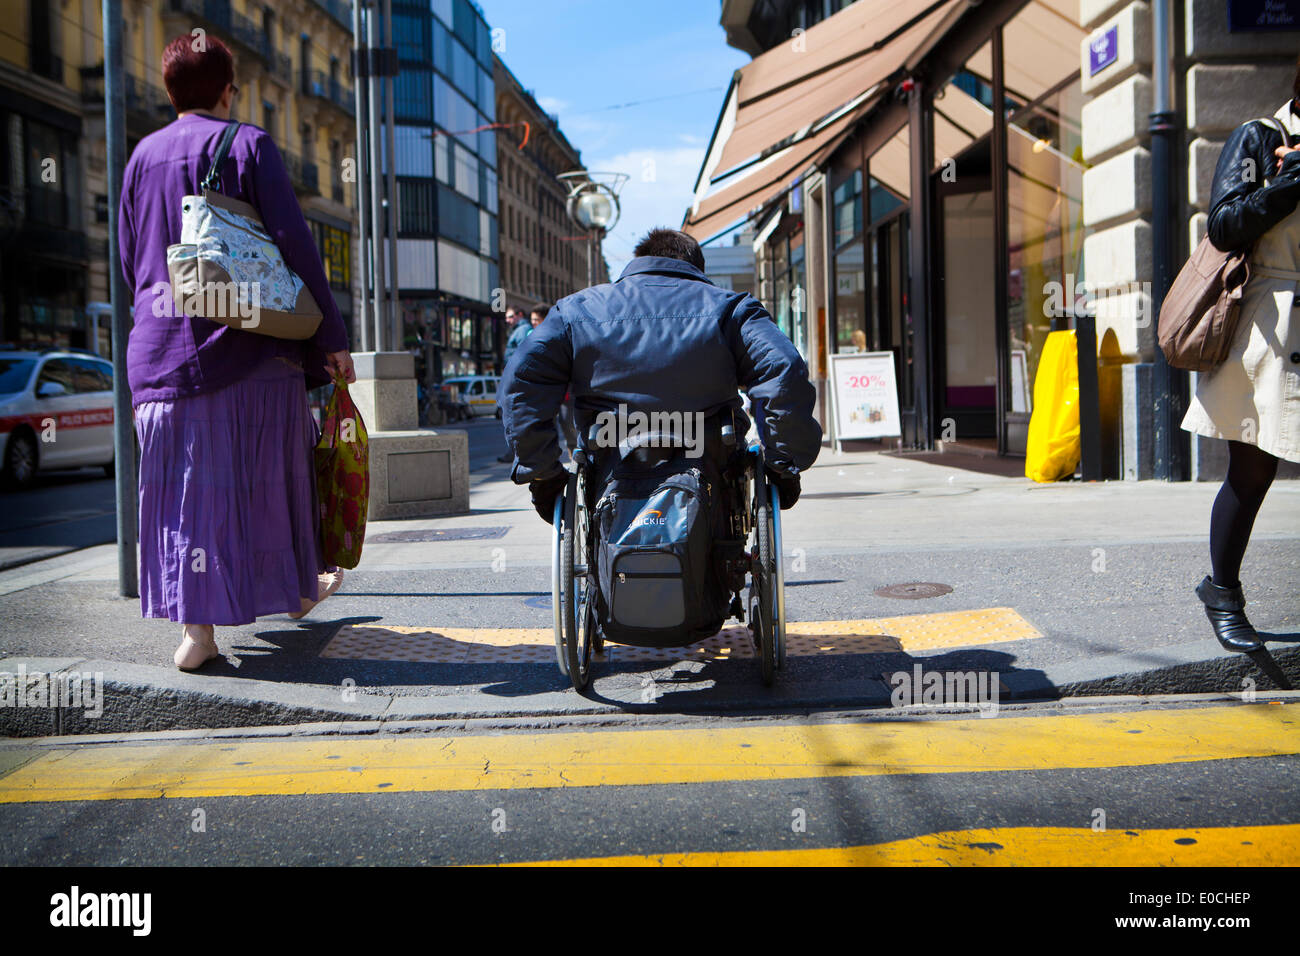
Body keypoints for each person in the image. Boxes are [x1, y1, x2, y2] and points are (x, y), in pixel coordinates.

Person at [119, 36, 354, 671]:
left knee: (185, 498)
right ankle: (297, 591)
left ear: (170, 93)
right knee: (270, 484)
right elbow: (293, 244)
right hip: (250, 351)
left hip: (160, 358)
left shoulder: (141, 157)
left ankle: (197, 635)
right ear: (229, 89)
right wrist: (329, 336)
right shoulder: (249, 144)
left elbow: (130, 260)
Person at [500, 227, 821, 523]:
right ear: (697, 267)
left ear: (639, 260)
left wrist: (543, 473)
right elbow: (783, 371)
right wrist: (784, 463)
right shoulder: (732, 309)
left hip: (611, 450)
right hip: (709, 454)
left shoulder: (576, 311)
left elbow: (522, 382)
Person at [1180, 62, 1300, 652]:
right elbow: (1224, 226)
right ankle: (1221, 589)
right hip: (1269, 328)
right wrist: (1290, 181)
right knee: (1254, 470)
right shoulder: (1260, 137)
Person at [497, 308, 531, 462]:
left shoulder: (523, 330)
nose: (508, 320)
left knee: (513, 415)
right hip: (516, 378)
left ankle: (516, 452)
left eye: (511, 317)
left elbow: (524, 353)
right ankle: (516, 452)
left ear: (520, 314)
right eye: (506, 318)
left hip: (516, 380)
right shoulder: (519, 330)